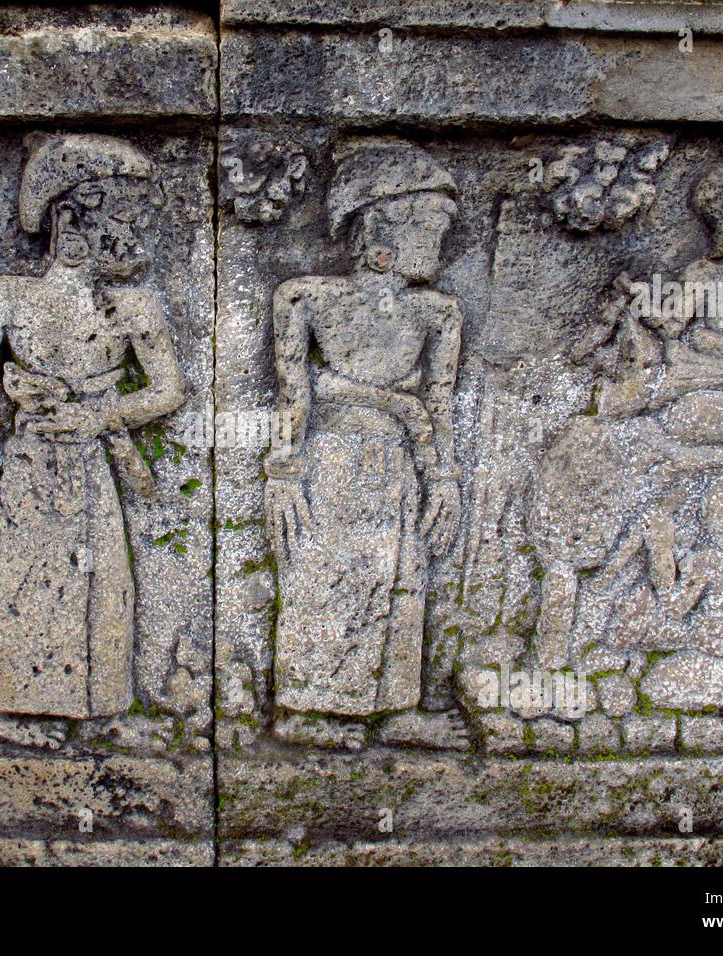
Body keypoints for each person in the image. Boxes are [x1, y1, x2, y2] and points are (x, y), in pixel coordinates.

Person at [0, 134, 184, 747]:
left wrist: (99, 419)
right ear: (73, 216)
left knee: (102, 581)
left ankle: (99, 707)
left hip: (91, 459)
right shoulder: (5, 297)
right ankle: (8, 711)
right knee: (23, 577)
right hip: (27, 462)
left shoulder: (133, 305)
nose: (136, 232)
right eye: (124, 216)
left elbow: (169, 391)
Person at [264, 141, 466, 749]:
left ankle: (393, 704)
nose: (440, 242)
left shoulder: (439, 312)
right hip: (333, 458)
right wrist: (282, 472)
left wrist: (445, 479)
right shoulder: (306, 298)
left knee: (403, 575)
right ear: (379, 227)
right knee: (327, 571)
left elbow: (439, 403)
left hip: (399, 462)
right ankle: (309, 708)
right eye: (428, 226)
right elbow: (294, 396)